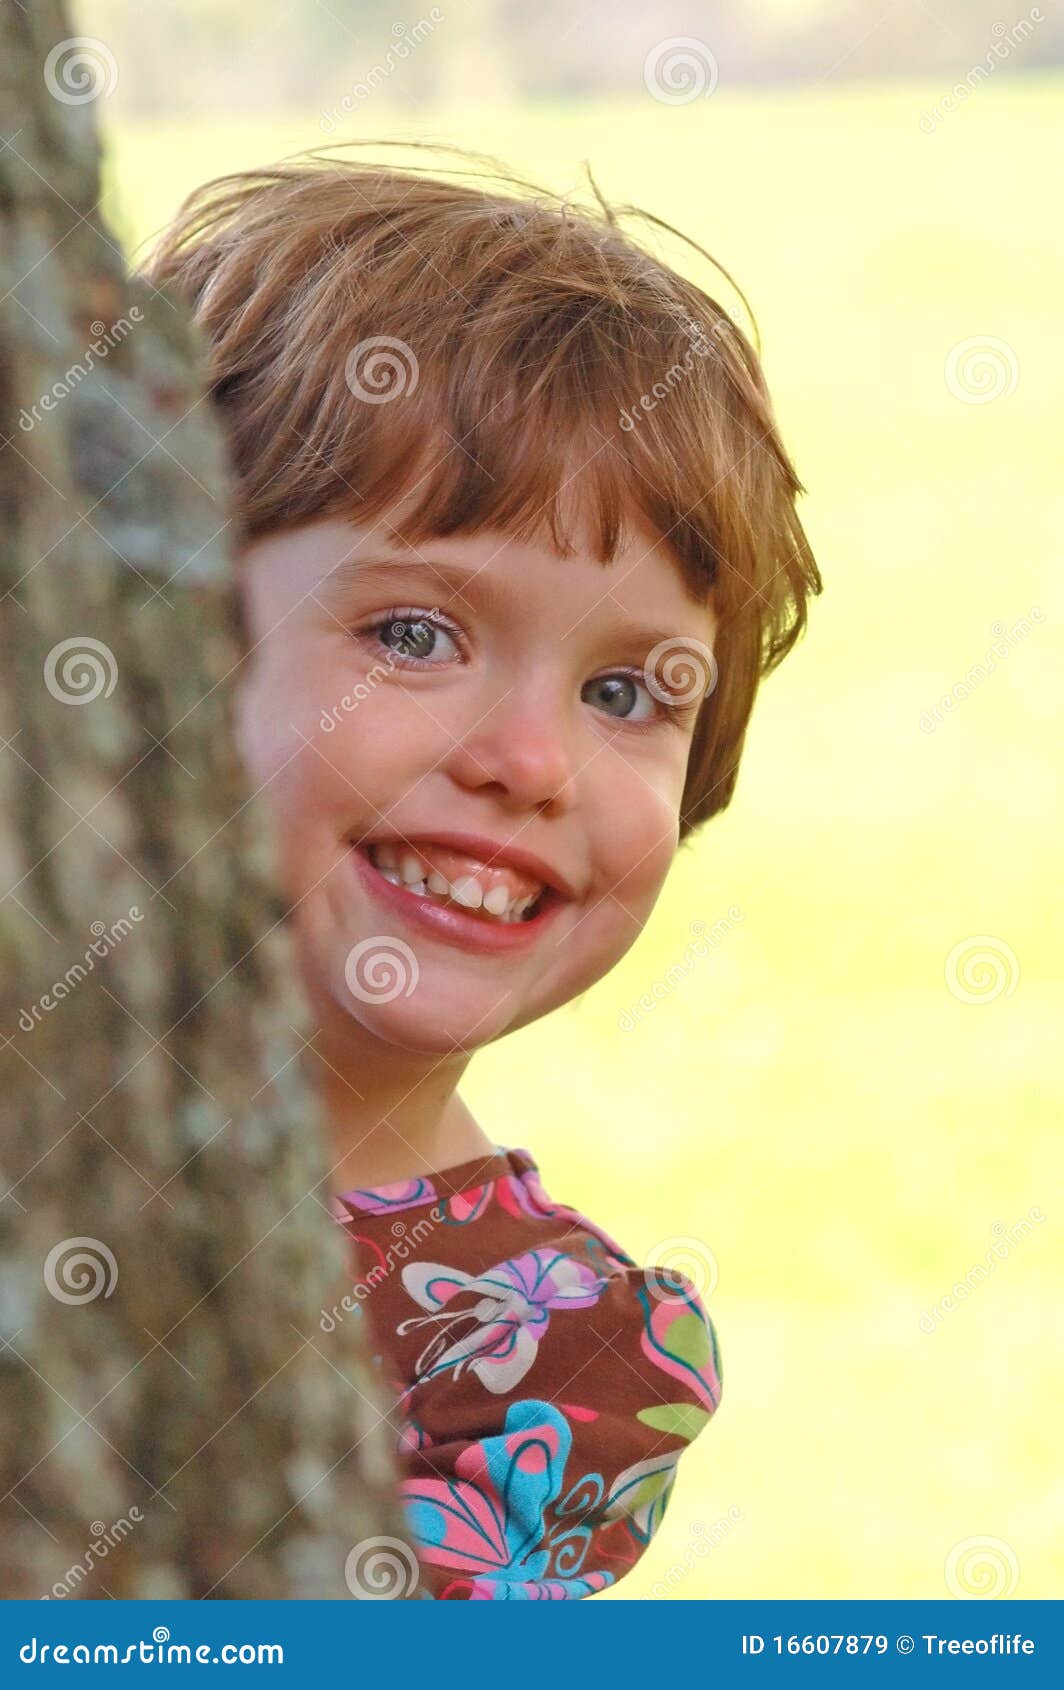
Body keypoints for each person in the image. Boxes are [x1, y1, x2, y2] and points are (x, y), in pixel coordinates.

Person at [143, 142, 821, 1598]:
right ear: (146, 647)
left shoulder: (551, 1368)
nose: (533, 760)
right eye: (412, 633)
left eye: (631, 693)